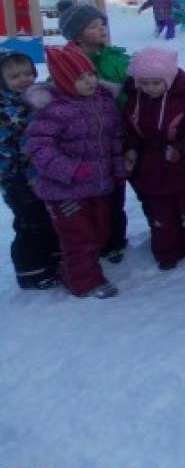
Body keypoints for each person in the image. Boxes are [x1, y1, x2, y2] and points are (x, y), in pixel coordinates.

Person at [23, 45, 125, 298]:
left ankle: (77, 269)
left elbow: (115, 137)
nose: (89, 81)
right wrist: (71, 169)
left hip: (99, 184)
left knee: (100, 231)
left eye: (90, 74)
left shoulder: (103, 101)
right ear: (64, 81)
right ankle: (85, 282)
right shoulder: (52, 110)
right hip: (65, 191)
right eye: (80, 78)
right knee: (79, 237)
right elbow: (38, 148)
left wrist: (120, 166)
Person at [122, 47, 185, 269]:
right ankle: (168, 251)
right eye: (145, 83)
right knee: (160, 213)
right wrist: (130, 149)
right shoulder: (135, 99)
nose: (150, 88)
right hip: (151, 167)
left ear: (168, 78)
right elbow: (128, 129)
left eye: (156, 83)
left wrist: (183, 149)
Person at [55, 0, 131, 263]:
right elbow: (56, 92)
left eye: (102, 24)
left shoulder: (117, 57)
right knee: (92, 197)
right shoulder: (68, 62)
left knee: (116, 188)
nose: (101, 29)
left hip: (119, 131)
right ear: (76, 34)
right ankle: (95, 242)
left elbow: (133, 84)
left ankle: (115, 241)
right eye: (93, 26)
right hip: (84, 139)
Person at [0, 51, 59, 289]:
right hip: (16, 178)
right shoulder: (4, 108)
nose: (23, 79)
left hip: (40, 174)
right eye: (14, 76)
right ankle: (31, 272)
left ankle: (53, 258)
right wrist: (15, 174)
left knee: (47, 217)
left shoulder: (34, 97)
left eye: (27, 73)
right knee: (30, 222)